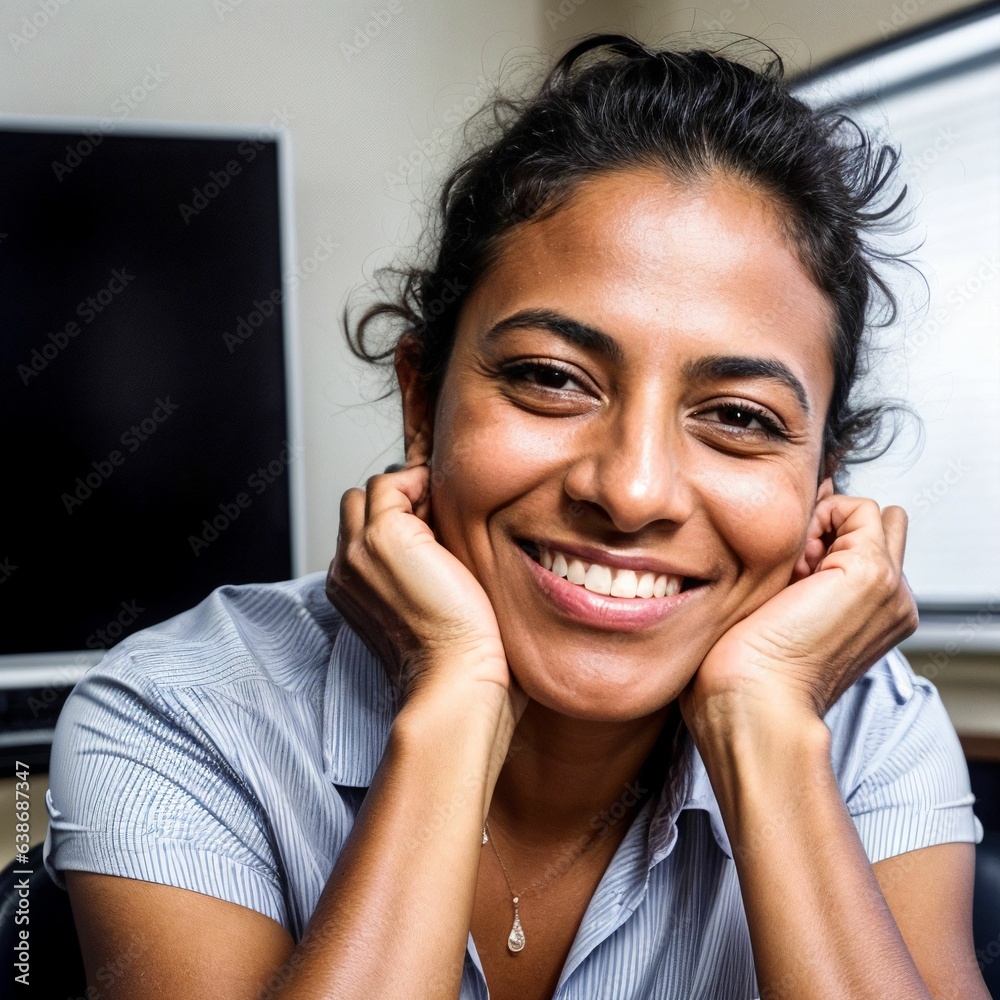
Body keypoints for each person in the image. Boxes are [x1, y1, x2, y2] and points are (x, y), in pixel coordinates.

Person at [43, 33, 987, 1000]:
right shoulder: (181, 712)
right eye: (550, 379)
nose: (631, 491)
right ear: (422, 406)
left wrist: (770, 737)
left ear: (823, 485)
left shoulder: (872, 730)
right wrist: (449, 705)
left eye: (740, 418)